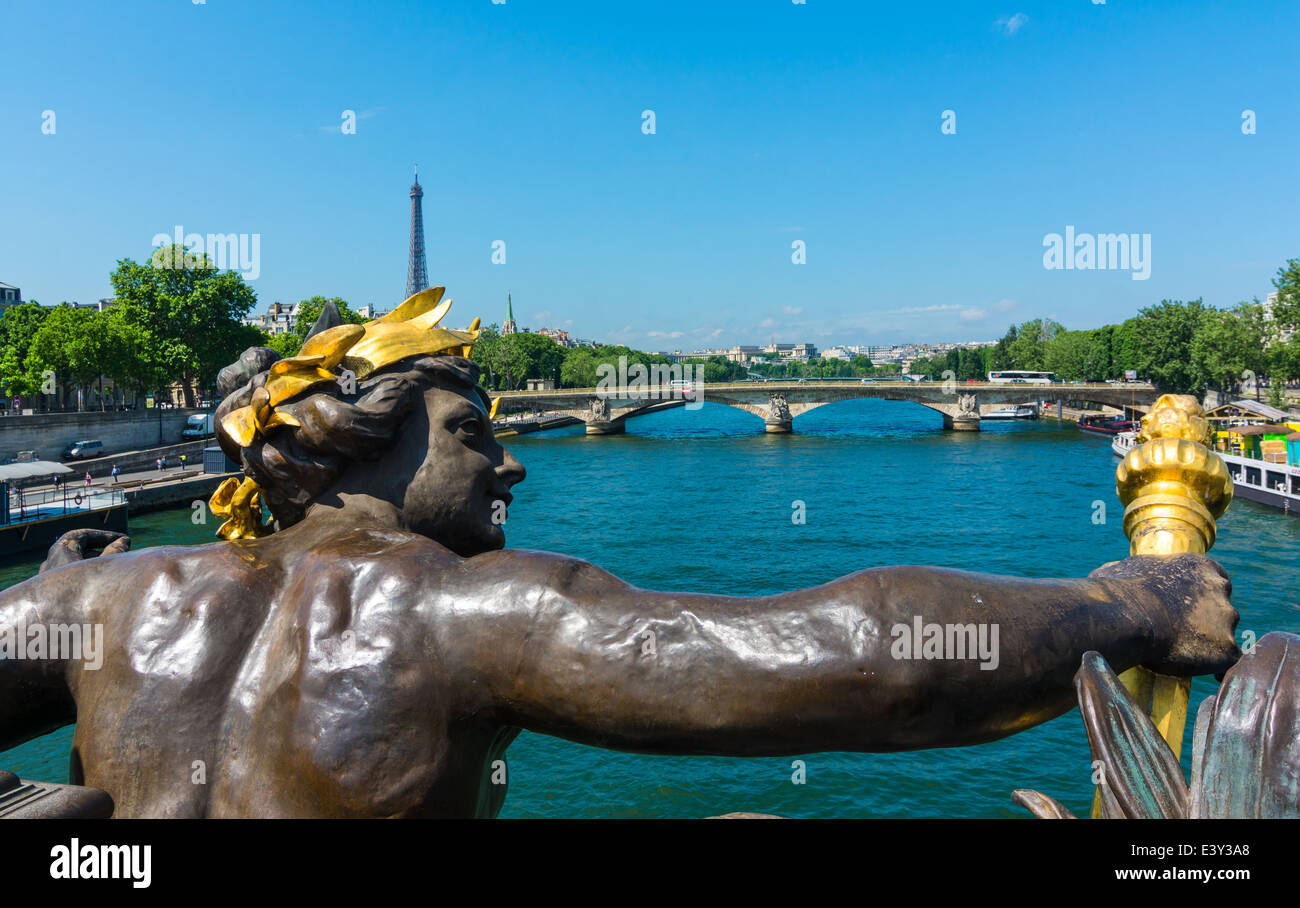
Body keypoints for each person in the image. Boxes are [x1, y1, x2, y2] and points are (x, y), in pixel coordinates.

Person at [0, 289, 1239, 818]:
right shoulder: (463, 611)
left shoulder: (102, 594)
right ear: (353, 440)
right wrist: (1123, 602)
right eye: (472, 432)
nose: (510, 465)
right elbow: (864, 658)